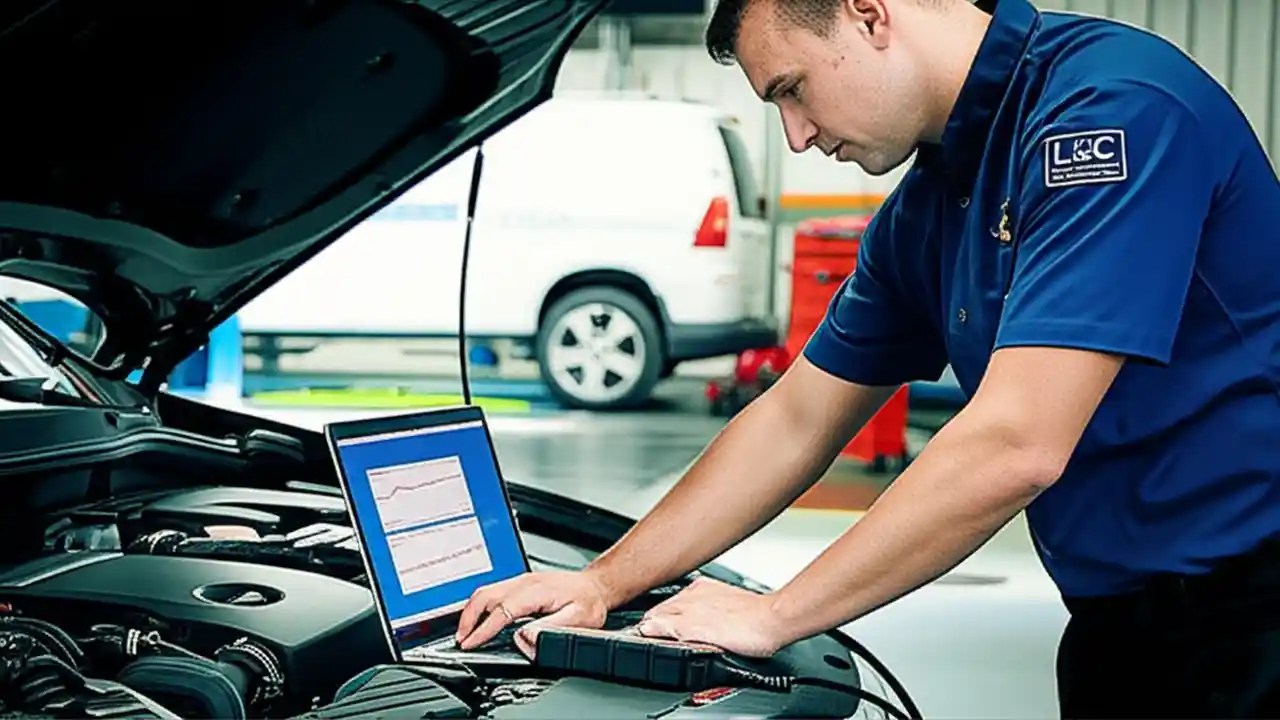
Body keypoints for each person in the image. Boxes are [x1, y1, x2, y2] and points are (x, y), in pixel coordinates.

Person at [456, 0, 1280, 716]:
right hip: (1120, 624)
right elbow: (796, 417)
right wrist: (604, 583)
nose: (797, 136)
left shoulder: (1110, 114)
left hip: (1255, 611)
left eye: (791, 90)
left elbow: (1017, 443)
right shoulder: (933, 203)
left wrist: (773, 616)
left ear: (869, 14)